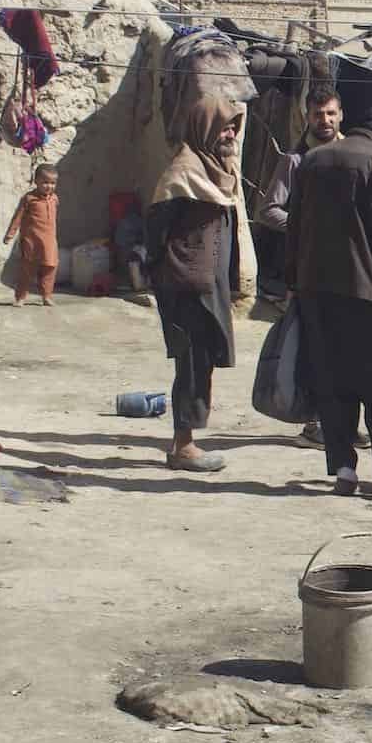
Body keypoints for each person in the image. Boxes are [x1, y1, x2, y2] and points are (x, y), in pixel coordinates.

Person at [287, 96, 372, 501]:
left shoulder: (313, 161)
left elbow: (294, 229)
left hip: (316, 293)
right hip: (371, 296)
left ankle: (344, 472)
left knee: (333, 383)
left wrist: (293, 283)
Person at [147, 92, 245, 473]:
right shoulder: (183, 172)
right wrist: (174, 269)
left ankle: (185, 440)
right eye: (223, 125)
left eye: (234, 126)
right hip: (185, 286)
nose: (230, 133)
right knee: (190, 362)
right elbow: (155, 231)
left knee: (203, 360)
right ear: (204, 126)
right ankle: (183, 446)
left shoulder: (218, 169)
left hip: (209, 284)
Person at [259, 87, 344, 443]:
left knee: (345, 347)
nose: (323, 121)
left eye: (330, 114)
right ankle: (315, 422)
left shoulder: (353, 153)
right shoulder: (295, 160)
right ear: (306, 117)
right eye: (316, 114)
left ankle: (338, 421)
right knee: (314, 347)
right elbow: (267, 210)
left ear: (341, 115)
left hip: (350, 270)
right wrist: (305, 226)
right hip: (308, 271)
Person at [3, 162, 59, 305]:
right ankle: (20, 297)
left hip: (49, 241)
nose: (49, 186)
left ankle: (46, 296)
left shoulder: (54, 199)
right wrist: (10, 234)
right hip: (31, 241)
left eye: (53, 183)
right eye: (45, 182)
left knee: (49, 267)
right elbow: (18, 217)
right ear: (36, 181)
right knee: (27, 269)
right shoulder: (29, 198)